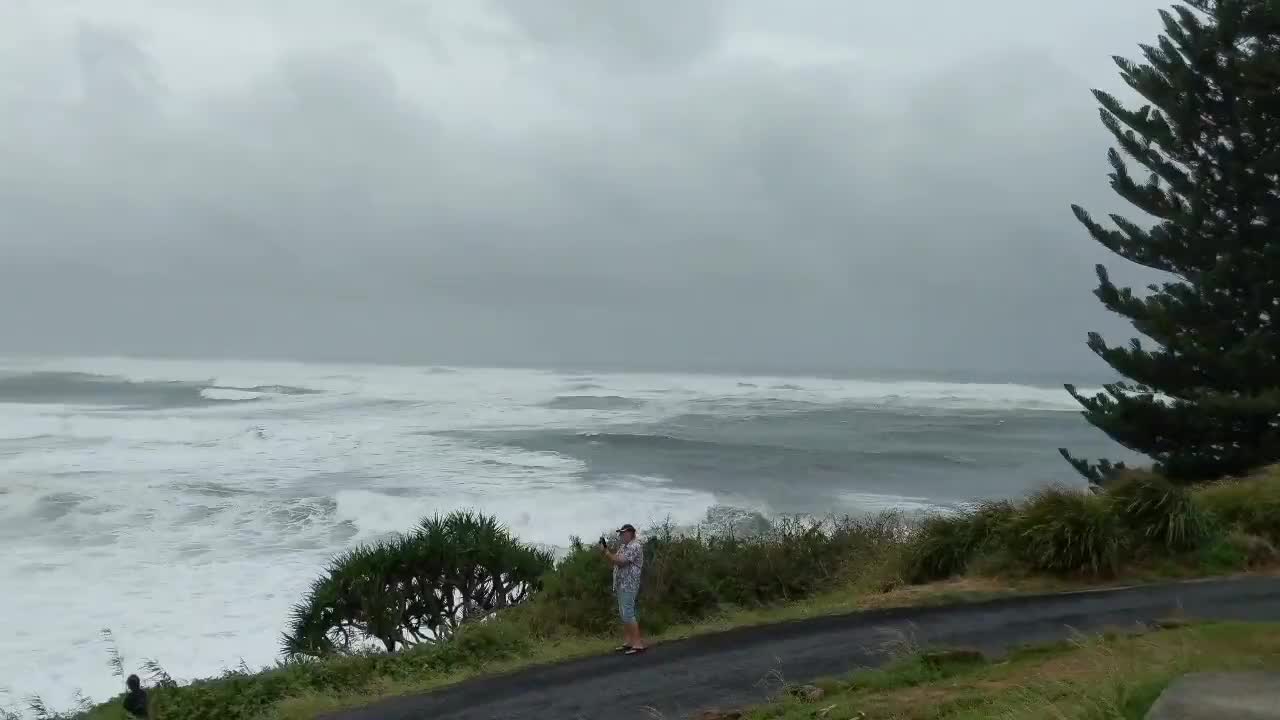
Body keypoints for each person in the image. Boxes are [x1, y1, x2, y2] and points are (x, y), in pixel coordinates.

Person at [602, 523, 646, 655]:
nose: (621, 535)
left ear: (631, 533)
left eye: (623, 533)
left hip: (629, 585)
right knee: (623, 613)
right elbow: (615, 559)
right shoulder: (623, 546)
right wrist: (607, 552)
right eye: (620, 533)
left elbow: (621, 561)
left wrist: (606, 552)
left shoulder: (635, 546)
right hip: (621, 584)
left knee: (628, 613)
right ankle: (629, 642)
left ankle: (638, 644)